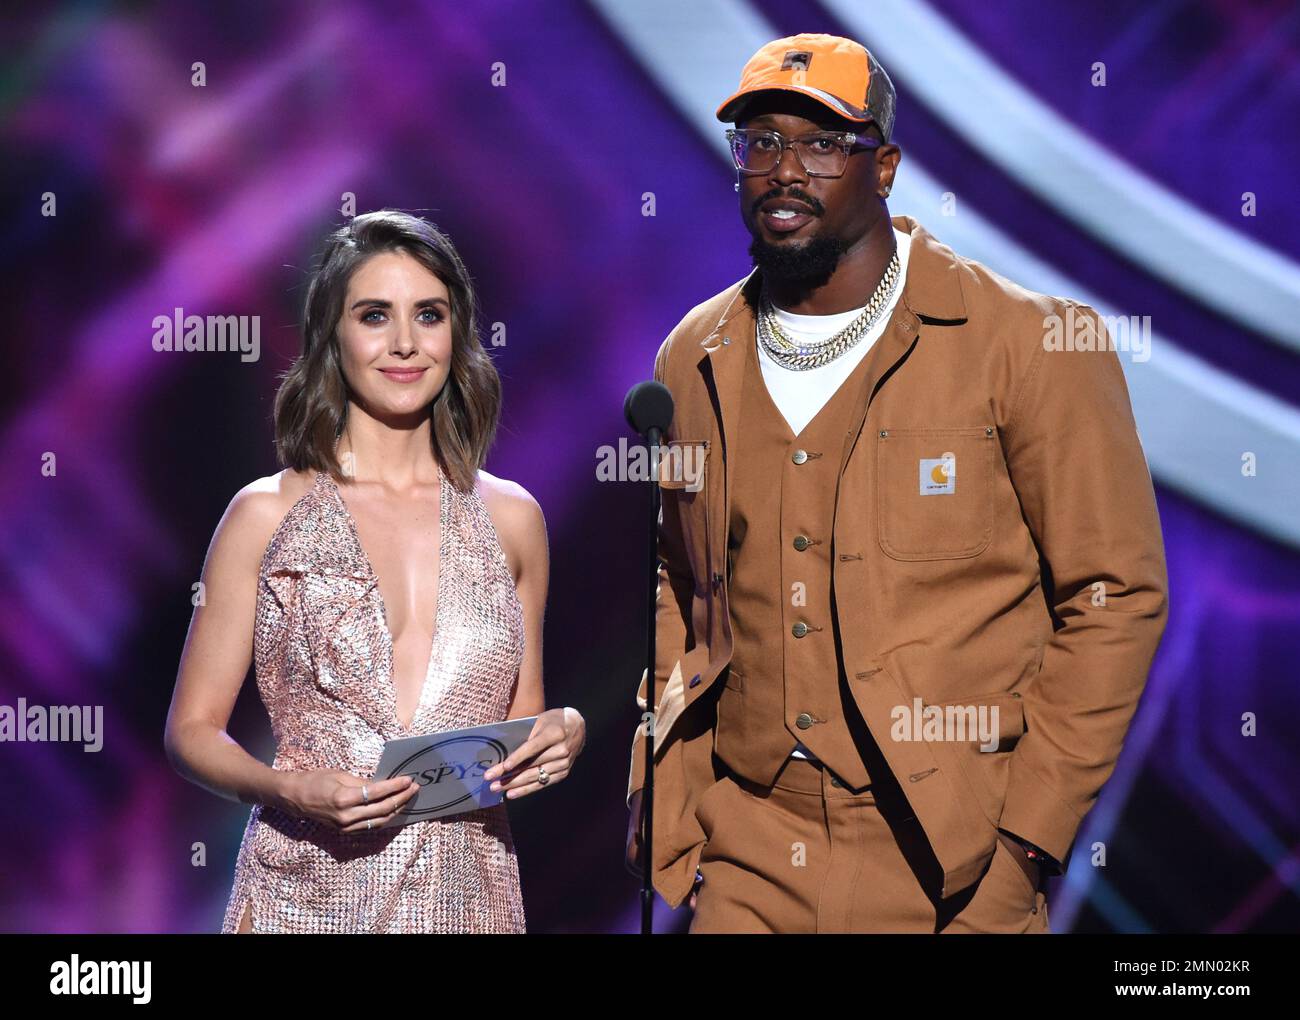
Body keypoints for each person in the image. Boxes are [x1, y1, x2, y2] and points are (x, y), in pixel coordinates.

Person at [624, 34, 1168, 932]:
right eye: (760, 143)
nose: (785, 171)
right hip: (749, 849)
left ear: (884, 167)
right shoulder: (694, 354)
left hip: (949, 861)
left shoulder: (1025, 342)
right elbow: (680, 581)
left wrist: (1026, 845)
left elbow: (1114, 598)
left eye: (823, 143)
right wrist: (669, 775)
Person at [164, 209, 584, 933]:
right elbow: (192, 730)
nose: (403, 343)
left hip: (468, 900)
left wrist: (561, 733)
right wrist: (289, 788)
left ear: (456, 335)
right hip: (305, 898)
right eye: (373, 316)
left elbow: (517, 732)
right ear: (334, 337)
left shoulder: (514, 519)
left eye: (428, 315)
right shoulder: (264, 515)